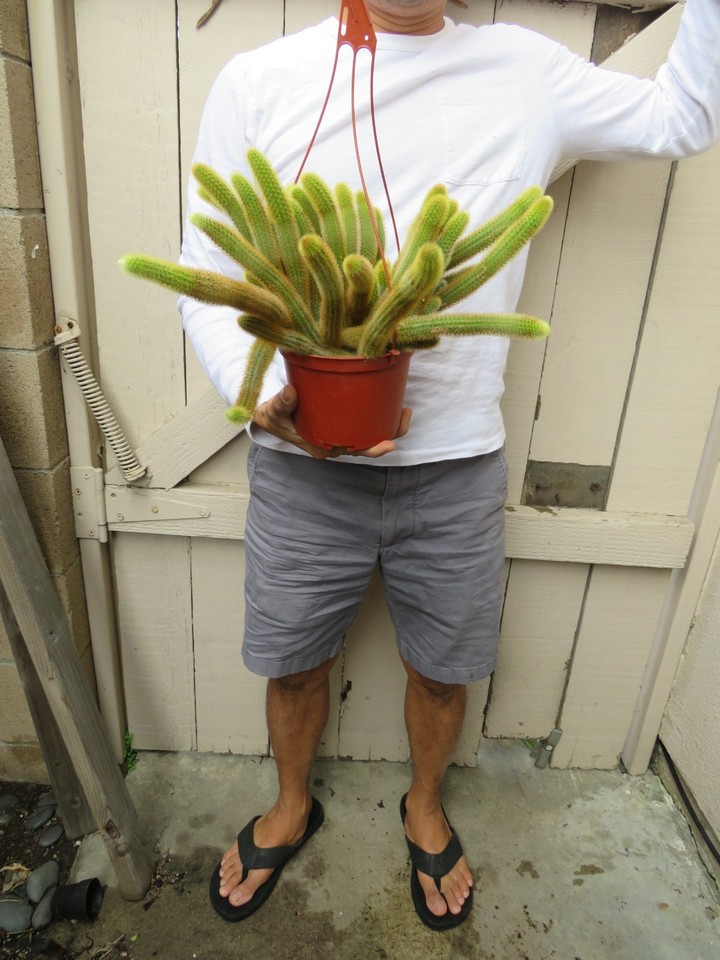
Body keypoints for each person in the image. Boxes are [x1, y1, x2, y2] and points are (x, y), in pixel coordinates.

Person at [179, 0, 720, 930]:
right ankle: (292, 800)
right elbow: (202, 264)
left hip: (457, 463)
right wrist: (254, 385)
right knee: (296, 662)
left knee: (444, 667)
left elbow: (684, 117)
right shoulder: (260, 83)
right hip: (303, 464)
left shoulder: (522, 71)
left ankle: (423, 802)